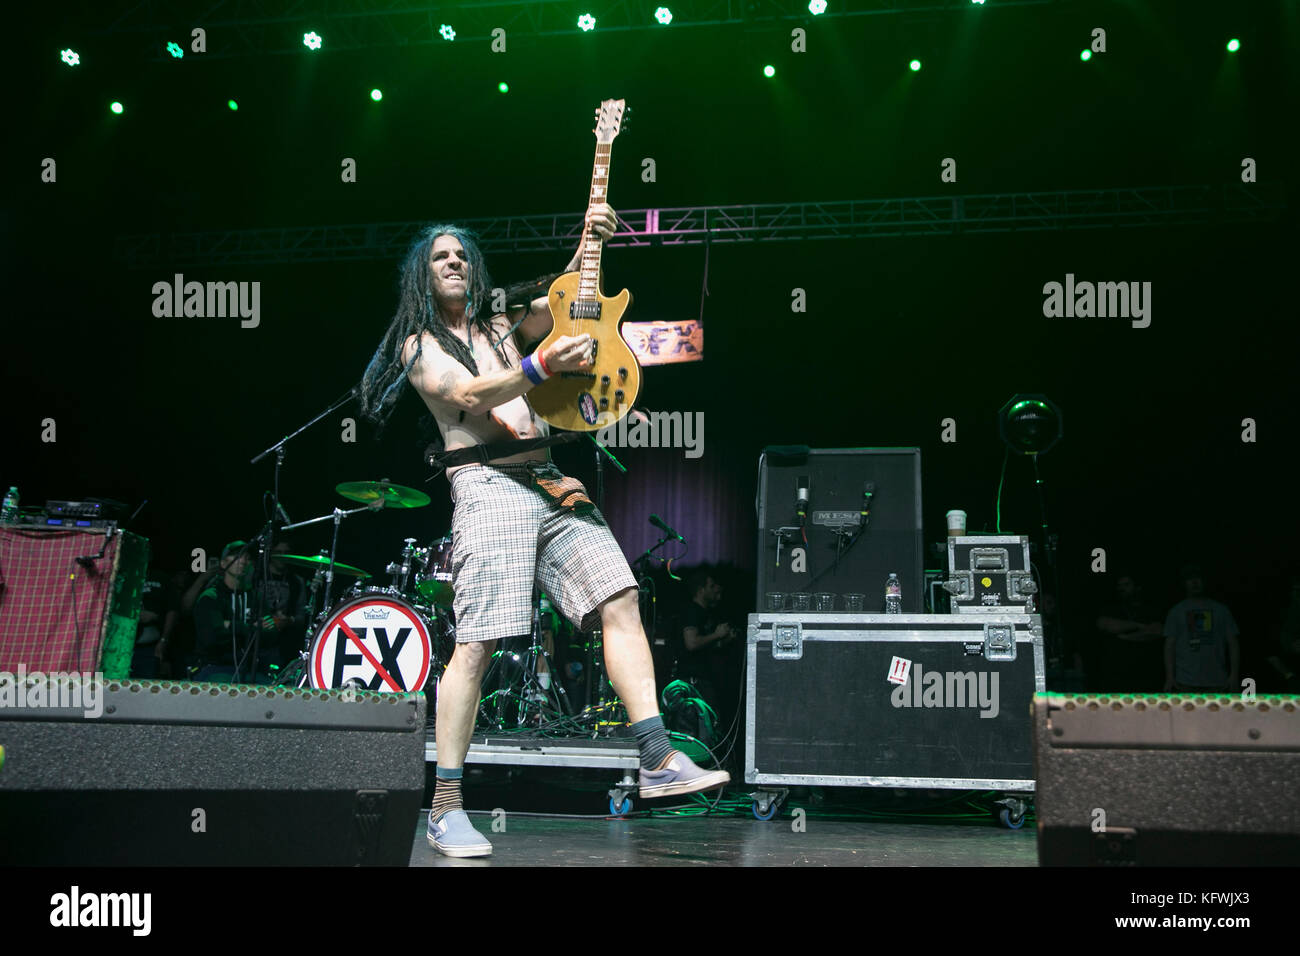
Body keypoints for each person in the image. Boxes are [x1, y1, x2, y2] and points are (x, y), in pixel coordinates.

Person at [358, 203, 728, 858]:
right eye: (441, 255)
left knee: (621, 598)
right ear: (422, 273)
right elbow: (470, 396)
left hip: (551, 482)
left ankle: (657, 757)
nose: (454, 261)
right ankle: (445, 806)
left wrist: (590, 240)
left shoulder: (500, 325)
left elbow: (567, 305)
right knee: (476, 644)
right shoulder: (421, 346)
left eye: (462, 255)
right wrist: (539, 368)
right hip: (486, 483)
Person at [192, 540, 286, 682]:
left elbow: (269, 634)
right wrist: (252, 628)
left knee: (270, 690)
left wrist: (230, 625)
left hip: (250, 668)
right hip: (216, 666)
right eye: (237, 556)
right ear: (223, 563)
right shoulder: (211, 597)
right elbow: (211, 638)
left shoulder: (255, 597)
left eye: (247, 557)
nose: (242, 561)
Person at [1163, 564, 1240, 694]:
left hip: (1217, 680)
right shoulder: (1176, 611)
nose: (1194, 582)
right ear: (1184, 583)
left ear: (1205, 581)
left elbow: (1233, 643)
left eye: (1198, 578)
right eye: (1190, 579)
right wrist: (1169, 677)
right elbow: (1169, 646)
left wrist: (1234, 675)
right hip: (1185, 681)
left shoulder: (1221, 610)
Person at [1093, 574, 1163, 692]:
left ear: (1137, 588)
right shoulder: (1110, 609)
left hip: (1145, 675)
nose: (1121, 588)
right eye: (1119, 585)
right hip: (1117, 676)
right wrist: (1139, 626)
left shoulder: (1150, 610)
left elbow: (1157, 632)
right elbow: (1106, 625)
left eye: (1126, 585)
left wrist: (1125, 636)